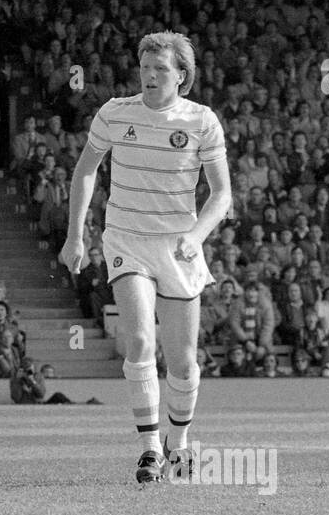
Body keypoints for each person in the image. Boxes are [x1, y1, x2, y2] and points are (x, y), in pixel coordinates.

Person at [61, 32, 231, 484]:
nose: (151, 76)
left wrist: (197, 235)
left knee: (183, 362)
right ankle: (150, 449)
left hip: (177, 245)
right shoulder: (115, 113)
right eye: (145, 67)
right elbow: (85, 171)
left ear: (182, 76)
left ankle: (180, 443)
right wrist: (75, 235)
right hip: (127, 240)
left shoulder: (201, 121)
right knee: (137, 342)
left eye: (161, 69)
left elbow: (221, 194)